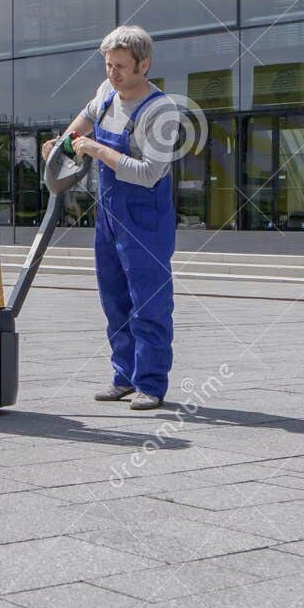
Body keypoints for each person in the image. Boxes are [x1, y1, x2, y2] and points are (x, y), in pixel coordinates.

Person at [44, 25, 179, 411]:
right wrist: (62, 144)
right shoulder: (106, 94)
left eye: (121, 66)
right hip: (109, 214)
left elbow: (149, 172)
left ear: (144, 64)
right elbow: (83, 121)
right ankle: (124, 377)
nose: (112, 73)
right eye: (108, 65)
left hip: (145, 219)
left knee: (148, 302)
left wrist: (95, 149)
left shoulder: (161, 111)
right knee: (114, 298)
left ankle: (150, 384)